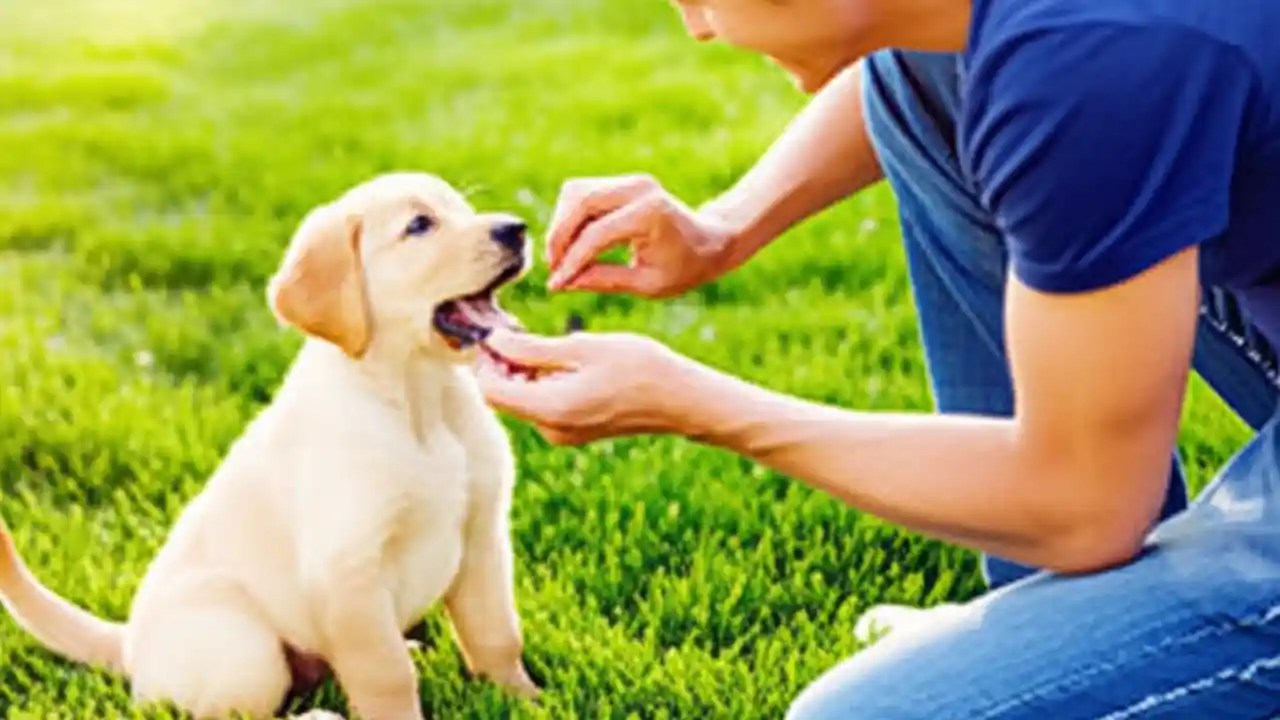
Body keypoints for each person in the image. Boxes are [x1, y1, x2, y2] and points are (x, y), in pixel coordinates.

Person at [475, 0, 1280, 717]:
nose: (698, 25)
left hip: (1096, 492)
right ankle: (1063, 613)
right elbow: (914, 61)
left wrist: (697, 405)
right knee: (924, 74)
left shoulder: (1093, 58)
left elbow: (1087, 507)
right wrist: (725, 227)